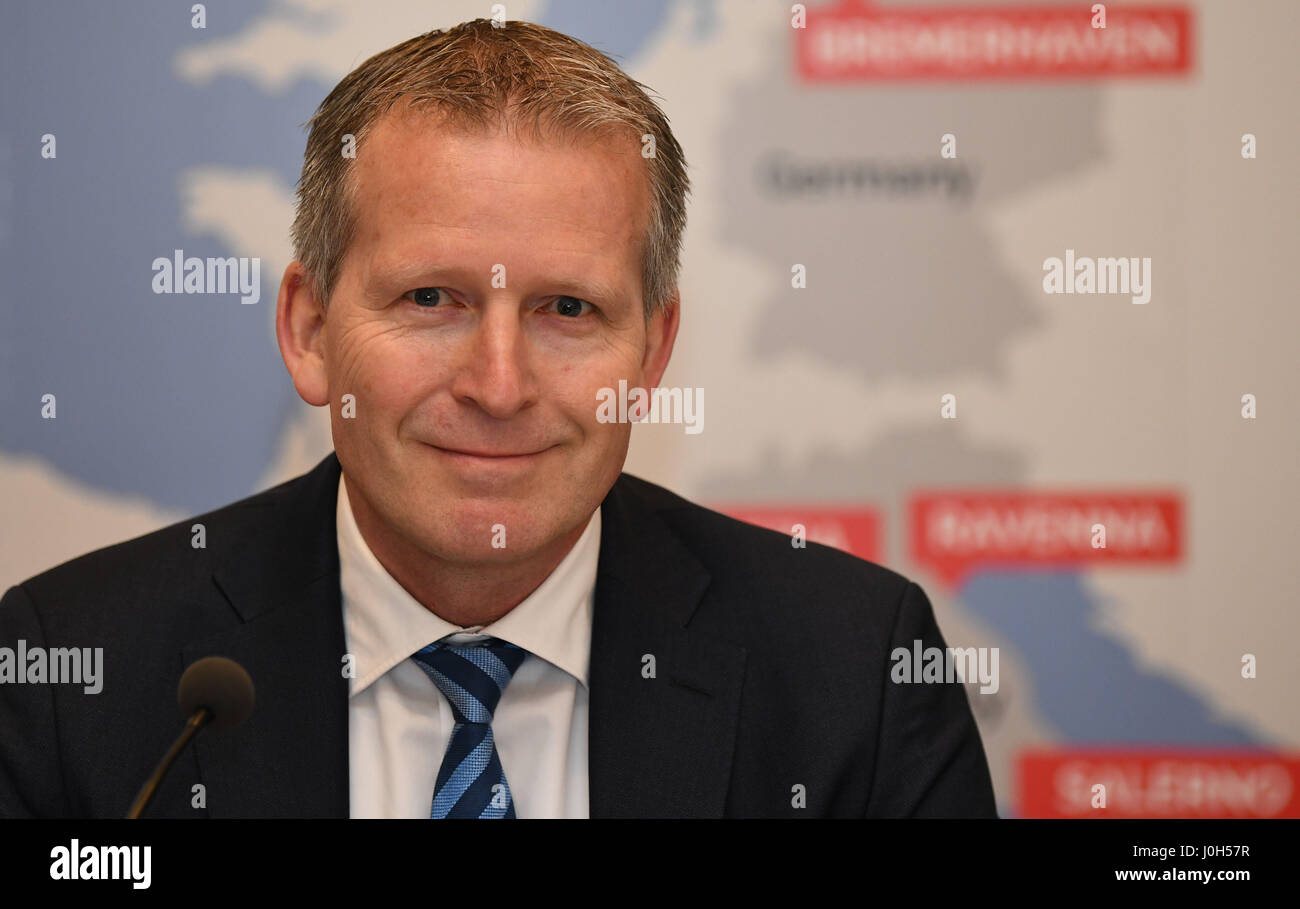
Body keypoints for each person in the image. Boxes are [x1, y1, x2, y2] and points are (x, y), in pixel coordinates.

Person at [0, 19, 996, 818]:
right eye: (433, 299)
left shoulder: (852, 670)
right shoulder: (67, 678)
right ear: (307, 330)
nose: (499, 384)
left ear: (651, 351)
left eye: (568, 309)